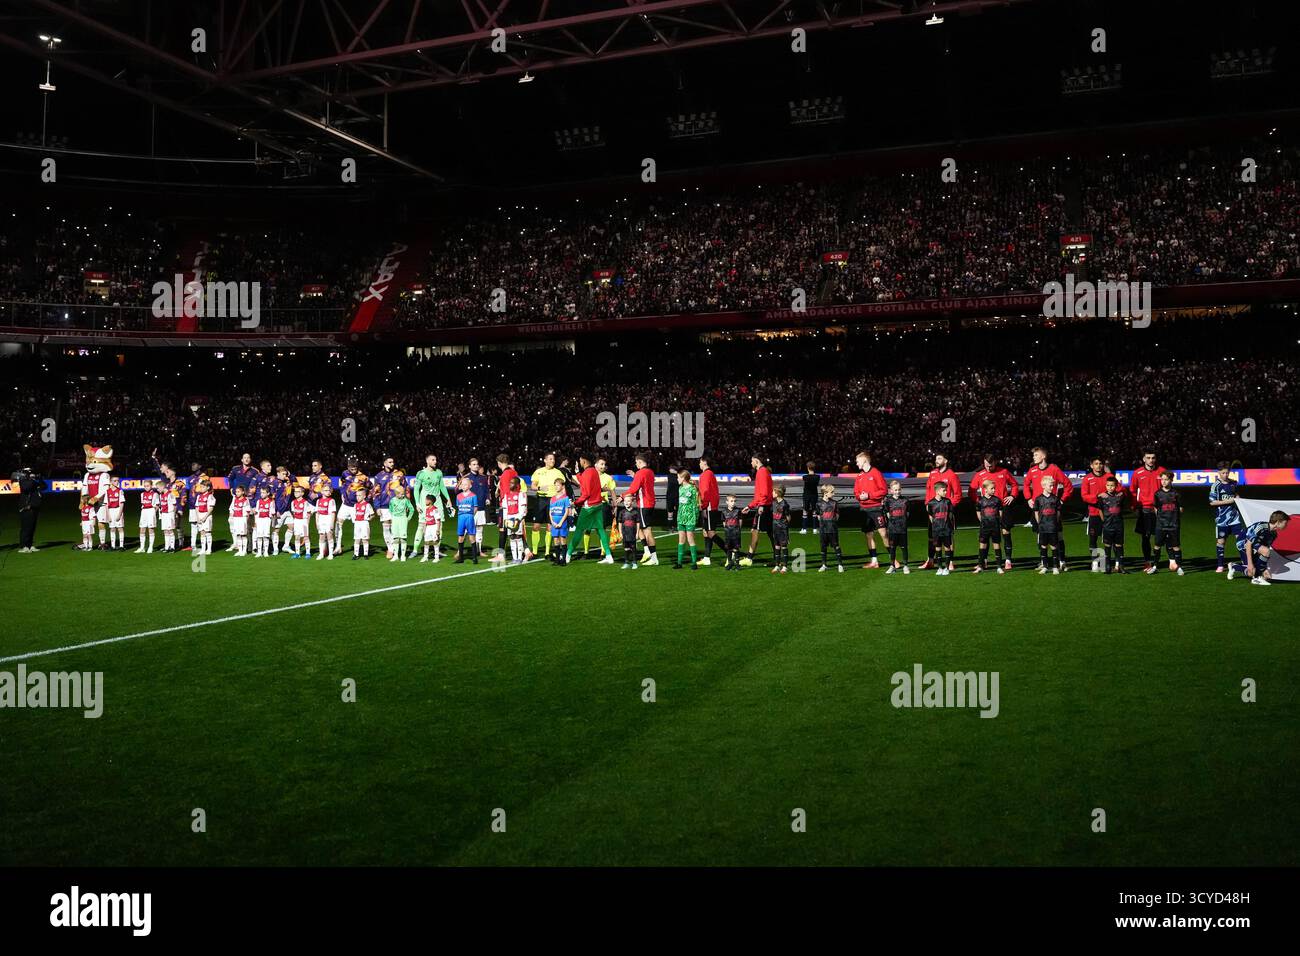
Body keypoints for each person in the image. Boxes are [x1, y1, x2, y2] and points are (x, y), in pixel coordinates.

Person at [1023, 447, 1074, 571]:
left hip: (1052, 510)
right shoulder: (1032, 470)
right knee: (1040, 537)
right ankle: (1044, 561)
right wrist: (1029, 498)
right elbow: (1025, 485)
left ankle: (1062, 561)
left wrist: (1061, 500)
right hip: (1039, 510)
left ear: (1043, 456)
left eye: (1036, 455)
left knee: (1058, 536)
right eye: (1033, 455)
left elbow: (1068, 486)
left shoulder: (1054, 469)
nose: (1033, 457)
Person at [969, 454, 1018, 571]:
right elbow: (972, 490)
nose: (988, 468)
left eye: (990, 466)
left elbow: (1014, 485)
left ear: (995, 462)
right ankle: (984, 561)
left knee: (1005, 532)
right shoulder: (979, 474)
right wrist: (979, 502)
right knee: (986, 534)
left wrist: (1012, 496)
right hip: (987, 509)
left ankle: (1008, 560)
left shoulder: (1004, 472)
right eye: (986, 465)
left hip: (1003, 507)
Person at [567, 455, 615, 564]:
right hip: (598, 505)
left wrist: (575, 503)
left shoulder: (588, 473)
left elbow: (586, 493)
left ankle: (568, 555)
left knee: (579, 530)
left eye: (580, 461)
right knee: (600, 530)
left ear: (583, 461)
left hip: (589, 507)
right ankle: (608, 556)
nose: (579, 462)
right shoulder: (593, 471)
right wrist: (578, 473)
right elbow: (584, 482)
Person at [1130, 450, 1167, 572]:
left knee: (1163, 536)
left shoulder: (1162, 471)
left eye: (1153, 458)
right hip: (1144, 509)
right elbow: (1133, 491)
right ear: (1144, 459)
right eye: (1148, 457)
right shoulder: (1137, 473)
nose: (1151, 460)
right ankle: (1147, 561)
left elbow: (1168, 489)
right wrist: (1135, 506)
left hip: (1160, 509)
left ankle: (1167, 561)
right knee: (1145, 537)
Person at [922, 454, 961, 570]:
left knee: (948, 536)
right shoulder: (933, 473)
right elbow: (928, 489)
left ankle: (950, 562)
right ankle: (931, 560)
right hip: (933, 511)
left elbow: (958, 495)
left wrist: (948, 507)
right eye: (936, 459)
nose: (936, 461)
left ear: (946, 460)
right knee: (932, 535)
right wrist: (927, 503)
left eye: (939, 458)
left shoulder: (952, 475)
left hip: (945, 513)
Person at [1230, 511, 1289, 585]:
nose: (1286, 525)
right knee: (1264, 554)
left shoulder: (1274, 534)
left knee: (1251, 573)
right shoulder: (1260, 527)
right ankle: (1257, 578)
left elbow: (1262, 552)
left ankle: (1234, 566)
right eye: (1285, 523)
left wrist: (1264, 569)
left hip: (1254, 545)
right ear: (1278, 522)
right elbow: (1248, 544)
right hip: (1243, 543)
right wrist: (1250, 563)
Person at [1209, 461, 1246, 573]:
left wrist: (1239, 499)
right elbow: (1212, 502)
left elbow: (1236, 496)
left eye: (1227, 472)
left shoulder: (1233, 483)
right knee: (1221, 542)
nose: (1225, 475)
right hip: (1222, 519)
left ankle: (1245, 563)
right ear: (1219, 473)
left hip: (1235, 518)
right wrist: (1228, 501)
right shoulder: (1216, 486)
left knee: (1241, 541)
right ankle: (1220, 565)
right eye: (1223, 473)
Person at [1079, 457, 1114, 571]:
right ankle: (1095, 563)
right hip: (1094, 514)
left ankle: (1106, 563)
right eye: (1096, 463)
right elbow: (1084, 496)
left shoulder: (1108, 477)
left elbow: (1119, 489)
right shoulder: (1087, 479)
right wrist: (1097, 496)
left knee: (1108, 539)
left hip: (1108, 514)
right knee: (1093, 539)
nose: (1098, 466)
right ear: (1091, 465)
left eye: (1100, 463)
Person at [854, 451, 889, 568]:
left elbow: (884, 490)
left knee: (883, 534)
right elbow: (856, 492)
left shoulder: (876, 473)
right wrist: (860, 496)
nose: (856, 463)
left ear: (864, 460)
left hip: (876, 508)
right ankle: (874, 561)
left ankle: (892, 558)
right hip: (864, 510)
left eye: (857, 461)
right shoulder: (859, 476)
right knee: (868, 535)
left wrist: (869, 495)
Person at [740, 455, 773, 567]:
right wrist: (750, 506)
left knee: (755, 531)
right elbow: (761, 493)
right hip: (765, 506)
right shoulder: (764, 471)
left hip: (763, 507)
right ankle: (778, 557)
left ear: (756, 461)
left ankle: (749, 558)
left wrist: (761, 505)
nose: (750, 462)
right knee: (771, 533)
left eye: (751, 460)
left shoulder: (761, 472)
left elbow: (763, 492)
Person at [1149, 471, 1185, 575]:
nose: (1164, 482)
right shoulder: (1157, 493)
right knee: (1157, 545)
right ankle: (1155, 566)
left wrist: (1175, 518)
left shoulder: (1176, 493)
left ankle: (1179, 567)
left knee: (1176, 546)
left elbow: (1181, 509)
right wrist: (1161, 519)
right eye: (1162, 479)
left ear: (1171, 480)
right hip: (1161, 525)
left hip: (1173, 524)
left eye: (1166, 479)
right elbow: (1156, 508)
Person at [529, 453, 564, 559]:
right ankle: (534, 552)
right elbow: (533, 486)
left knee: (550, 526)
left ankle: (547, 553)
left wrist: (564, 500)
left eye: (553, 459)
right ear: (545, 460)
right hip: (540, 500)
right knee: (536, 526)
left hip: (553, 501)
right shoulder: (538, 472)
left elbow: (563, 487)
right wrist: (540, 488)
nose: (552, 461)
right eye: (550, 459)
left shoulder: (558, 472)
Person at [627, 453, 659, 565]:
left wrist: (622, 497)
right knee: (639, 527)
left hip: (644, 504)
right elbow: (643, 483)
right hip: (649, 503)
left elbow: (634, 488)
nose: (636, 464)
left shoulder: (641, 473)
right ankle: (647, 551)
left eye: (636, 462)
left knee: (647, 531)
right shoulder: (650, 472)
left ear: (640, 462)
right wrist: (635, 476)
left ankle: (653, 558)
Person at [1095, 476, 1130, 574]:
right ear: (1105, 486)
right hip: (1108, 525)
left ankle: (1121, 566)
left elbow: (1123, 507)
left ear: (1116, 486)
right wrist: (1104, 521)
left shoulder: (1121, 496)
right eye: (1108, 485)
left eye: (1112, 485)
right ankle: (1107, 567)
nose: (1110, 487)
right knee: (1107, 546)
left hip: (1118, 524)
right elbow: (1100, 510)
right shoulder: (1102, 497)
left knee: (1119, 545)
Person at [973, 479, 1004, 574]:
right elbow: (978, 514)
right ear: (985, 489)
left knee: (997, 545)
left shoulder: (997, 500)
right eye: (992, 488)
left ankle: (999, 567)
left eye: (994, 488)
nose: (994, 490)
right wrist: (984, 522)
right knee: (982, 546)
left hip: (995, 526)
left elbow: (1000, 513)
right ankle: (980, 566)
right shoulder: (980, 501)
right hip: (984, 527)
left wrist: (995, 521)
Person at [1034, 476, 1063, 574]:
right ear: (1043, 486)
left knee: (1054, 546)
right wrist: (1040, 523)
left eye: (1053, 486)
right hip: (1043, 527)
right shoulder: (1038, 499)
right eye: (1050, 486)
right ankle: (1045, 566)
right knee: (1043, 546)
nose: (1052, 488)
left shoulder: (1055, 499)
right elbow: (1036, 512)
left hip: (1052, 527)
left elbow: (1058, 513)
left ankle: (1055, 567)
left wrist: (1055, 522)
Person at [697, 456, 722, 565]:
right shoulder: (709, 474)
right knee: (706, 532)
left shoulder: (706, 474)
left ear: (704, 462)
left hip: (709, 507)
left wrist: (703, 506)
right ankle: (707, 558)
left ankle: (730, 552)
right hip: (710, 506)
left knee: (710, 533)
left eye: (700, 462)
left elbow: (705, 492)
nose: (699, 464)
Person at [673, 469, 700, 570]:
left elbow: (695, 505)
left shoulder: (692, 489)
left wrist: (695, 518)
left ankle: (694, 563)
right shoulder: (680, 488)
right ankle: (679, 563)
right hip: (681, 518)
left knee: (690, 540)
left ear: (683, 478)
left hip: (690, 518)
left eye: (678, 477)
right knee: (681, 540)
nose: (677, 479)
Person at [927, 481, 955, 576]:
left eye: (946, 490)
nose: (946, 492)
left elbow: (951, 515)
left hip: (946, 529)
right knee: (938, 548)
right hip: (936, 530)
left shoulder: (947, 501)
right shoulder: (931, 503)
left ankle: (946, 568)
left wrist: (950, 526)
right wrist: (936, 525)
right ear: (937, 491)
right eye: (944, 490)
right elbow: (931, 516)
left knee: (947, 548)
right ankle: (939, 568)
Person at [816, 484, 845, 573]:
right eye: (832, 492)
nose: (834, 494)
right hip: (823, 529)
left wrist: (832, 522)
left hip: (832, 529)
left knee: (836, 546)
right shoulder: (818, 503)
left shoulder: (834, 503)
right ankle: (824, 564)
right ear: (825, 493)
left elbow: (837, 515)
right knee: (823, 547)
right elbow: (818, 515)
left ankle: (840, 565)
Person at [13, 466, 42, 553]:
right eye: (30, 473)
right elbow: (26, 488)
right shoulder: (23, 481)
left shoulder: (32, 481)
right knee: (26, 528)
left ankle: (30, 545)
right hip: (26, 507)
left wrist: (40, 478)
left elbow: (43, 486)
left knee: (32, 528)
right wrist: (32, 479)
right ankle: (23, 546)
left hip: (34, 507)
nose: (32, 474)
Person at [884, 480, 910, 574]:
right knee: (892, 548)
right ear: (891, 490)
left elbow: (907, 514)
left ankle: (906, 566)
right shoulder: (888, 501)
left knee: (904, 548)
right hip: (892, 529)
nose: (897, 492)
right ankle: (892, 566)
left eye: (899, 489)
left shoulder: (905, 500)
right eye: (895, 490)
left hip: (902, 529)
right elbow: (887, 514)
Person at [454, 476, 481, 565]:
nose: (464, 486)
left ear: (470, 486)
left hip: (469, 517)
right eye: (462, 484)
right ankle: (460, 558)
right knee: (460, 537)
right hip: (461, 517)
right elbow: (458, 507)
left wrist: (471, 515)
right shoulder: (458, 496)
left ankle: (474, 558)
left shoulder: (473, 496)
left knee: (471, 537)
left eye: (466, 484)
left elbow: (475, 507)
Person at [547, 479, 572, 565]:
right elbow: (550, 512)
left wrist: (561, 522)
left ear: (562, 486)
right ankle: (557, 560)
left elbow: (566, 511)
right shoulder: (552, 498)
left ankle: (564, 560)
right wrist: (552, 522)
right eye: (555, 485)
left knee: (563, 540)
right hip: (554, 522)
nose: (556, 487)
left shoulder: (565, 498)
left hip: (562, 522)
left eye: (558, 485)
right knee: (556, 540)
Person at [388, 484, 414, 562]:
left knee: (403, 538)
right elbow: (391, 509)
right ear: (396, 493)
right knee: (395, 538)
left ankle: (403, 555)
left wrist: (408, 518)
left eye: (403, 493)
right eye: (401, 494)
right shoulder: (392, 500)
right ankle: (395, 555)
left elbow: (411, 509)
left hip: (403, 519)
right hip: (395, 519)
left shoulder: (406, 500)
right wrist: (392, 517)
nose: (403, 495)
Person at [288, 484, 316, 559]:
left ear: (302, 493)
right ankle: (297, 553)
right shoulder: (293, 502)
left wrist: (307, 522)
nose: (295, 493)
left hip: (304, 521)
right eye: (295, 492)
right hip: (297, 521)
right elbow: (294, 513)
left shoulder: (305, 503)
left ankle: (308, 553)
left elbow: (309, 513)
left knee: (306, 537)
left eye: (298, 492)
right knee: (297, 537)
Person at [769, 484, 792, 574]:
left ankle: (785, 566)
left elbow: (788, 517)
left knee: (784, 546)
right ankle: (777, 565)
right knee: (777, 547)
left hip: (782, 529)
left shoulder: (785, 504)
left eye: (773, 491)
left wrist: (784, 525)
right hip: (775, 528)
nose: (772, 493)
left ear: (778, 493)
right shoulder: (773, 503)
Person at [193, 479, 217, 555]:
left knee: (207, 532)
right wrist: (197, 517)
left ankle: (209, 549)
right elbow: (196, 507)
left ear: (208, 487)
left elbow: (211, 508)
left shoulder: (210, 496)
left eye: (203, 487)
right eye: (201, 487)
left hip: (207, 516)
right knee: (202, 532)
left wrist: (205, 517)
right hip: (200, 515)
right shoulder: (199, 496)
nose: (201, 488)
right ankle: (203, 549)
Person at [617, 493, 640, 569]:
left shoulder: (635, 512)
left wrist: (637, 533)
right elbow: (620, 523)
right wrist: (620, 533)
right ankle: (626, 562)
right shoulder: (622, 512)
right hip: (625, 533)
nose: (626, 503)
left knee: (633, 548)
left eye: (628, 501)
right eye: (625, 501)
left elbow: (637, 523)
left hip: (632, 533)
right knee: (626, 548)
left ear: (632, 502)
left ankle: (634, 563)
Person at [314, 485, 337, 560]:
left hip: (328, 518)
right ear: (322, 492)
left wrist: (332, 523)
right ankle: (321, 554)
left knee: (329, 535)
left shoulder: (331, 500)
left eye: (329, 490)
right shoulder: (318, 501)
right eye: (326, 490)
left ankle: (330, 554)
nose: (328, 492)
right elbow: (317, 512)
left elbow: (333, 513)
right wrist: (317, 523)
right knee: (321, 536)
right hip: (321, 519)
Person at [103, 475, 126, 551]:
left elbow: (122, 503)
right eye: (115, 481)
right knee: (112, 529)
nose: (117, 482)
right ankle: (113, 546)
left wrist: (119, 514)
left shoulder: (120, 491)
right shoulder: (107, 492)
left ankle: (121, 546)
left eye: (117, 480)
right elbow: (106, 504)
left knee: (120, 528)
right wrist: (108, 515)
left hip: (118, 510)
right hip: (110, 511)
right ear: (111, 482)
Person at [351, 488, 375, 560]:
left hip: (364, 523)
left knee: (365, 539)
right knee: (357, 539)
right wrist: (354, 520)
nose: (357, 497)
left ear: (364, 496)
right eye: (356, 495)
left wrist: (368, 519)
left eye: (359, 495)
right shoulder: (355, 505)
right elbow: (354, 514)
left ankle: (365, 554)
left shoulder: (367, 505)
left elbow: (373, 514)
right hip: (357, 523)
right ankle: (356, 554)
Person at [228, 485, 252, 557]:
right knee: (238, 534)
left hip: (242, 519)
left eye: (238, 492)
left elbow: (247, 511)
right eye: (236, 492)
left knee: (243, 535)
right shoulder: (235, 499)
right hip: (236, 519)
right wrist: (231, 516)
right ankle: (240, 550)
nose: (237, 493)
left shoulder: (245, 500)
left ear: (243, 492)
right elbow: (232, 509)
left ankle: (244, 551)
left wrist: (245, 520)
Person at [253, 485, 276, 557]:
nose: (261, 494)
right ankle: (259, 552)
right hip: (259, 520)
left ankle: (265, 551)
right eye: (261, 493)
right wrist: (255, 521)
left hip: (267, 520)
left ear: (268, 493)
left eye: (263, 493)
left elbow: (272, 513)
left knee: (266, 536)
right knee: (259, 536)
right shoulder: (258, 501)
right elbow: (256, 512)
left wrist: (273, 523)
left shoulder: (271, 502)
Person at [136, 480, 159, 554]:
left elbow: (157, 506)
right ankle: (142, 547)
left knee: (150, 529)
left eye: (148, 486)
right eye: (145, 486)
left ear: (151, 486)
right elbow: (143, 504)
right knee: (142, 529)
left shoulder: (155, 494)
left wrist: (153, 513)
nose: (146, 487)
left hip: (151, 511)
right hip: (144, 512)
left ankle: (150, 547)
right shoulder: (142, 494)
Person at [419, 494, 443, 563]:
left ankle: (436, 557)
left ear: (430, 501)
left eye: (426, 500)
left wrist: (437, 530)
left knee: (435, 542)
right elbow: (426, 520)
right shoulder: (427, 509)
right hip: (428, 528)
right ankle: (425, 556)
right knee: (426, 542)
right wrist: (424, 528)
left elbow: (438, 520)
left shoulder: (435, 509)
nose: (425, 501)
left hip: (434, 527)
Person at [801, 461, 820, 535]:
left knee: (805, 511)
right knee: (814, 511)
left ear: (808, 468)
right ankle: (815, 529)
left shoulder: (805, 477)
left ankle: (804, 529)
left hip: (807, 495)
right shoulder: (817, 477)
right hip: (814, 495)